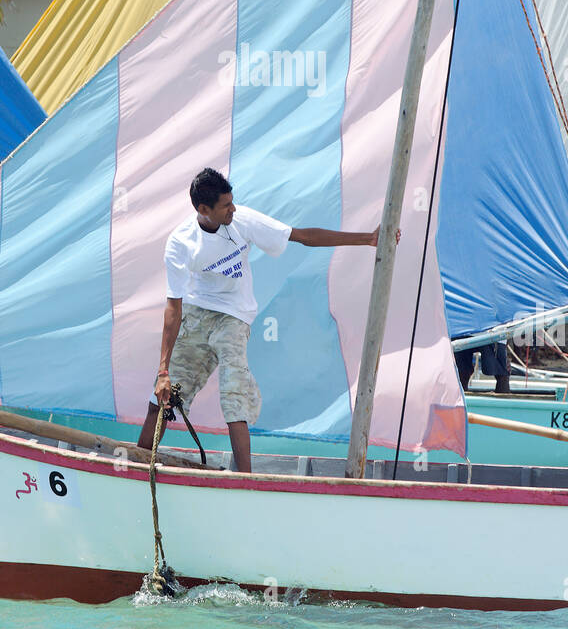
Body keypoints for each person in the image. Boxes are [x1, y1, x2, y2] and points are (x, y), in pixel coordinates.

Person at [137, 167, 398, 473]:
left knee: (234, 394)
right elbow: (174, 307)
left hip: (234, 317)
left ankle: (244, 480)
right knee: (165, 395)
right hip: (197, 314)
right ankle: (139, 464)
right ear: (203, 210)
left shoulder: (242, 220)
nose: (232, 208)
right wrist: (163, 370)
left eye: (232, 202)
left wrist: (368, 239)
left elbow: (301, 236)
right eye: (225, 206)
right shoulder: (181, 243)